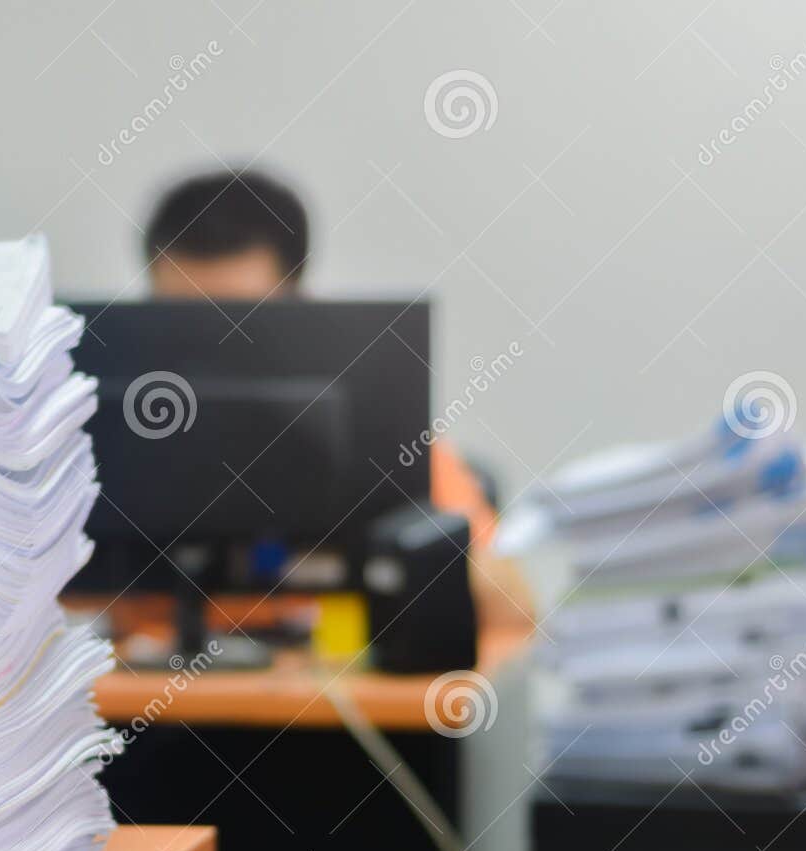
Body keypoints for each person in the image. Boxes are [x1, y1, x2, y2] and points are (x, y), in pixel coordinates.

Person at [143, 170, 532, 630]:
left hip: (331, 673)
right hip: (143, 674)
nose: (214, 353)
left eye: (241, 322)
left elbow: (513, 615)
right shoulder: (103, 442)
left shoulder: (385, 438)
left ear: (300, 307)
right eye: (184, 323)